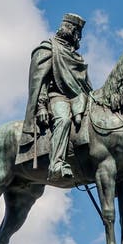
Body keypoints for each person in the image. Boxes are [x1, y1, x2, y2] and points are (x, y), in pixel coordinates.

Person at [21, 12, 91, 181]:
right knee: (63, 120)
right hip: (56, 97)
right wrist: (41, 106)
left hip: (79, 99)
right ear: (71, 31)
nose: (79, 38)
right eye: (77, 33)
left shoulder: (76, 56)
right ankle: (56, 164)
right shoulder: (48, 48)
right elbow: (39, 81)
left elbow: (84, 86)